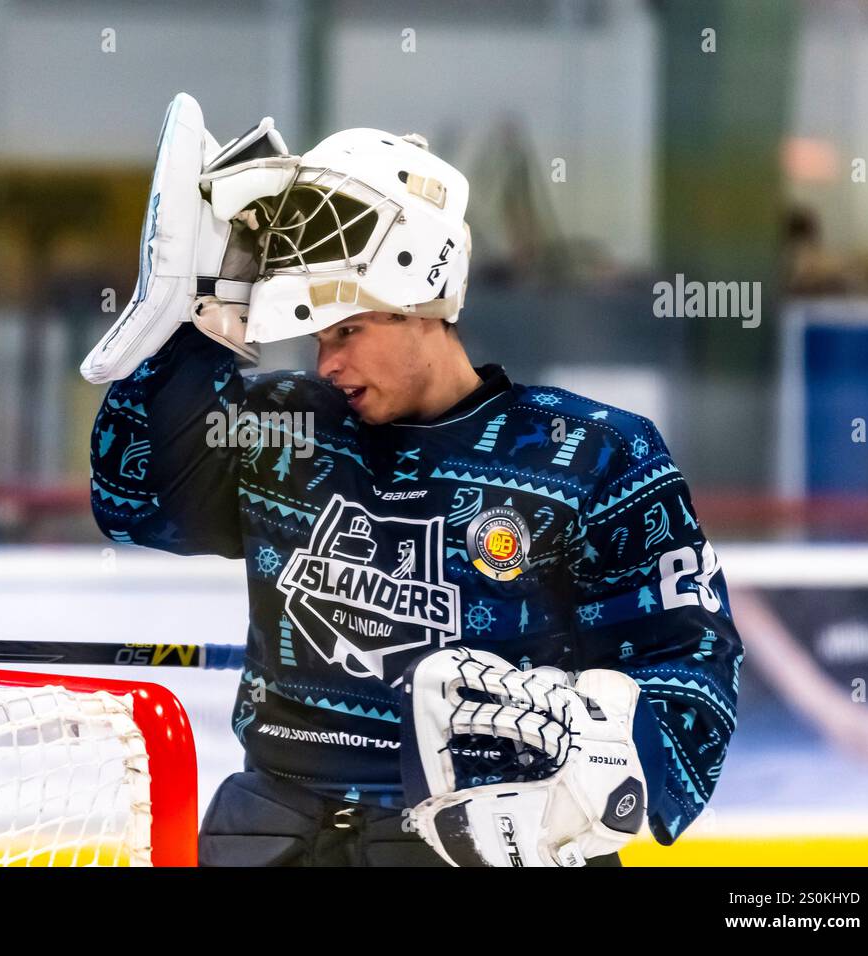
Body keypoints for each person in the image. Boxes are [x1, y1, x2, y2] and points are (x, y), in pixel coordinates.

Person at [86, 97, 742, 866]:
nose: (327, 362)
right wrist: (195, 327)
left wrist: (612, 781)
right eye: (317, 336)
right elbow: (134, 504)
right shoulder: (282, 429)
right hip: (275, 835)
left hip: (486, 844)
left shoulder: (594, 453)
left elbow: (690, 662)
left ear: (423, 303)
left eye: (348, 332)